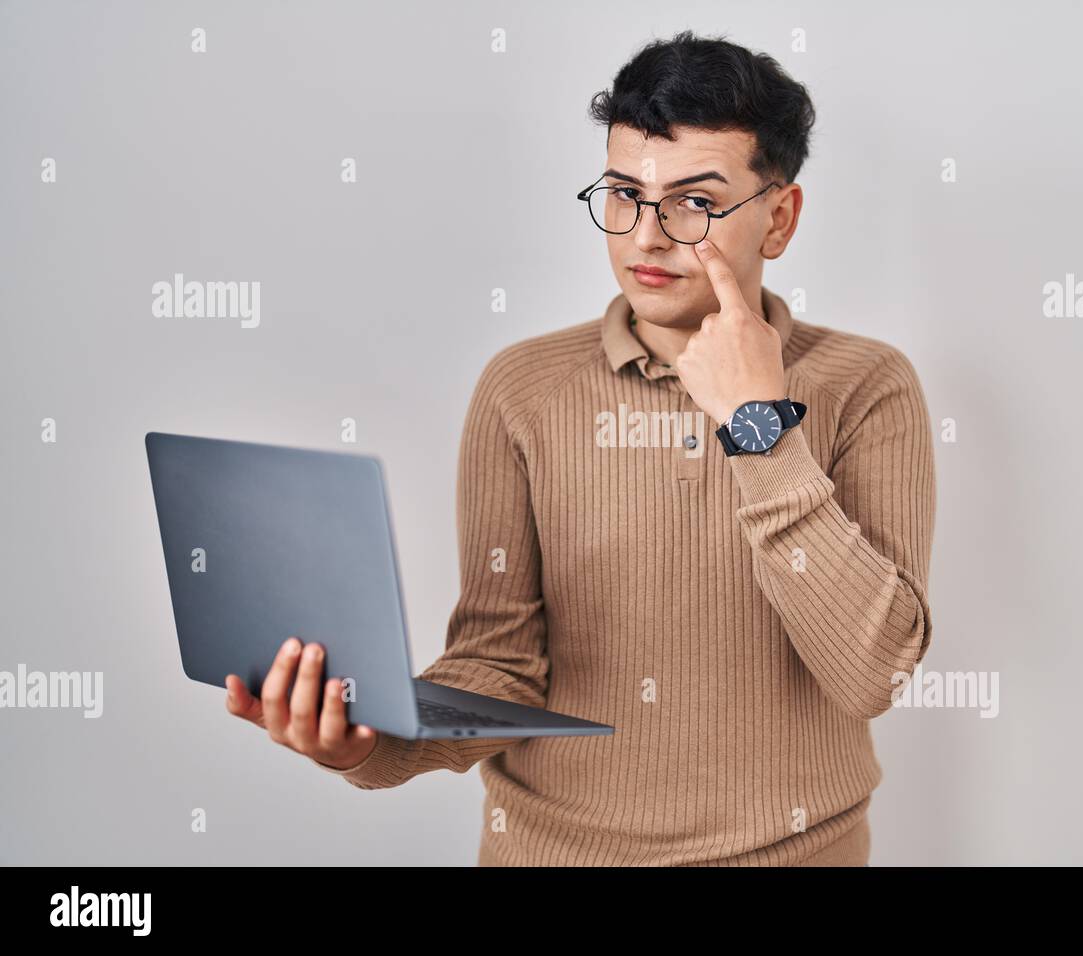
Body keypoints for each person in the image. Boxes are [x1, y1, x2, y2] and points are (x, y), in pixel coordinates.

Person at [226, 29, 936, 866]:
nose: (646, 238)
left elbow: (871, 675)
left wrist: (758, 424)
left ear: (778, 218)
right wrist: (367, 746)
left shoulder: (869, 385)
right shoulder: (522, 388)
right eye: (625, 194)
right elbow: (498, 669)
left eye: (695, 204)